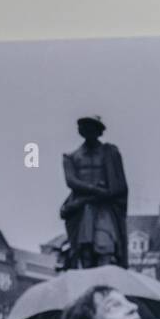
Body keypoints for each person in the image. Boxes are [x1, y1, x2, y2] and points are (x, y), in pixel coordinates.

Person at [60, 115, 128, 269]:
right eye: (84, 127)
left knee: (105, 246)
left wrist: (105, 193)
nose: (87, 131)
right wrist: (95, 190)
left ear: (99, 131)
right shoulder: (71, 157)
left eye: (91, 127)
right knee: (84, 250)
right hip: (83, 208)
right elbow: (71, 181)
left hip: (105, 208)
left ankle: (104, 282)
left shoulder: (110, 153)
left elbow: (119, 184)